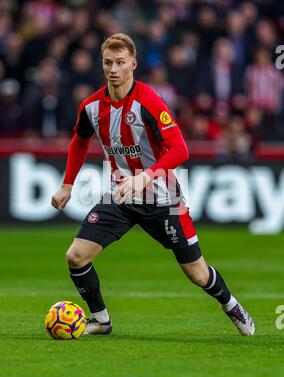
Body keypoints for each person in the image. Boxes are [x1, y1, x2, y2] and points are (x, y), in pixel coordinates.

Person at [51, 33, 255, 336]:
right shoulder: (91, 107)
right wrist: (67, 184)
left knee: (197, 274)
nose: (113, 69)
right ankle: (102, 320)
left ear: (133, 64)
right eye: (108, 63)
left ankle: (230, 304)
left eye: (120, 62)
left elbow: (181, 150)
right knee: (75, 256)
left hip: (164, 199)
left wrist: (145, 176)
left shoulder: (149, 101)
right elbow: (79, 140)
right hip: (121, 196)